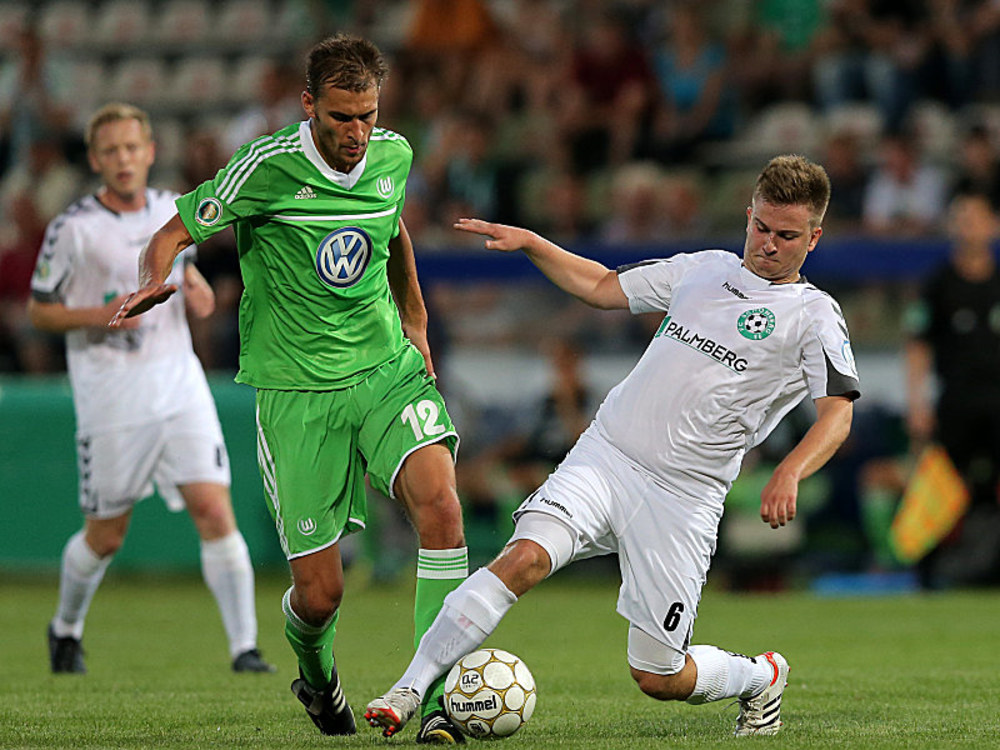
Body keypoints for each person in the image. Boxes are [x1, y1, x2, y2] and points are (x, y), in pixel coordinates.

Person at [365, 154, 860, 738]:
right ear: (748, 214)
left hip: (685, 498)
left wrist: (791, 471)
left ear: (814, 238)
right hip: (608, 457)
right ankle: (410, 686)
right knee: (522, 558)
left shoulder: (814, 315)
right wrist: (533, 243)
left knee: (658, 674)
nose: (768, 244)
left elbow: (837, 414)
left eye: (786, 235)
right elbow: (602, 287)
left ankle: (760, 676)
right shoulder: (703, 268)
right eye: (760, 227)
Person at [110, 35, 468, 742]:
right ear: (309, 106)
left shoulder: (392, 156)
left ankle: (437, 703)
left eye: (367, 115)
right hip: (298, 393)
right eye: (341, 118)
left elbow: (392, 229)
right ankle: (317, 673)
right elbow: (174, 229)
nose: (357, 134)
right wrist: (155, 280)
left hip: (383, 369)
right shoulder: (266, 168)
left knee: (443, 511)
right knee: (320, 594)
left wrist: (416, 320)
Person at [27, 103, 274, 676]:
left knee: (214, 510)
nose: (123, 160)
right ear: (95, 160)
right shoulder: (73, 229)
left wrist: (198, 289)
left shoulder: (173, 210)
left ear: (150, 151)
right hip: (111, 394)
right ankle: (65, 628)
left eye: (132, 148)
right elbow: (39, 313)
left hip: (179, 383)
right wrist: (99, 312)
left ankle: (245, 649)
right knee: (107, 535)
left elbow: (184, 269)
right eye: (110, 151)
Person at [904, 191, 1000, 587]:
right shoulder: (938, 285)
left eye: (976, 218)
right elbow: (917, 345)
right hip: (956, 404)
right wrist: (917, 403)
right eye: (961, 219)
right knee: (940, 487)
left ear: (992, 225)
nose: (968, 227)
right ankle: (926, 573)